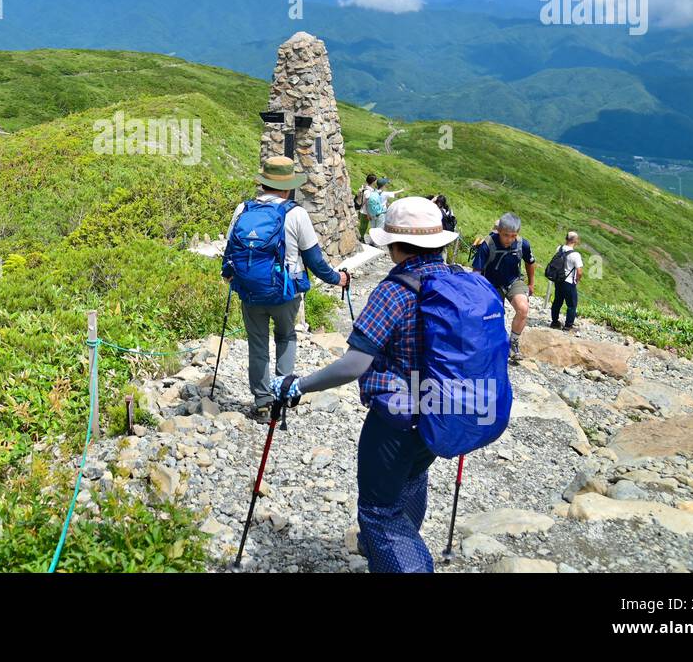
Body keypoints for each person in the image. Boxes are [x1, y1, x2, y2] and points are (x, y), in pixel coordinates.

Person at [271, 196, 460, 573]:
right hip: (442, 408)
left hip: (397, 419)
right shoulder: (455, 281)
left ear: (394, 245)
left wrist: (299, 385)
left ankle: (405, 563)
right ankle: (388, 556)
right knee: (412, 478)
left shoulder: (394, 292)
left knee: (377, 510)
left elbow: (354, 364)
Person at [222, 156, 349, 418]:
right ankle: (282, 393)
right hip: (286, 292)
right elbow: (315, 261)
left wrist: (232, 279)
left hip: (250, 292)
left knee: (257, 344)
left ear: (264, 182)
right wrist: (339, 279)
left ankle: (262, 402)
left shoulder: (243, 210)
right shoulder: (296, 213)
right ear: (288, 185)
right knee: (286, 336)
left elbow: (229, 252)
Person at [471, 213, 535, 359]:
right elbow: (477, 271)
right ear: (498, 231)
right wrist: (478, 292)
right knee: (495, 314)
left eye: (513, 235)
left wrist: (531, 283)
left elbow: (530, 263)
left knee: (523, 308)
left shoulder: (522, 244)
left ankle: (513, 342)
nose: (509, 239)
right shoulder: (488, 244)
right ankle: (492, 343)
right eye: (506, 235)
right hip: (491, 283)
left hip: (513, 280)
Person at [548, 231, 584, 330]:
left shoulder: (559, 248)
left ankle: (554, 322)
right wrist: (577, 280)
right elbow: (579, 271)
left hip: (558, 280)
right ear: (575, 241)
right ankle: (568, 326)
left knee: (557, 301)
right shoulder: (575, 254)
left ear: (566, 239)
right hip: (569, 282)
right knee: (572, 304)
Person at [359, 174, 404, 245]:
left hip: (372, 212)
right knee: (379, 228)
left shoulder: (374, 191)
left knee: (373, 227)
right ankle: (375, 243)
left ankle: (371, 241)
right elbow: (394, 193)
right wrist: (401, 190)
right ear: (383, 185)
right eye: (385, 184)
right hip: (380, 213)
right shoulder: (385, 193)